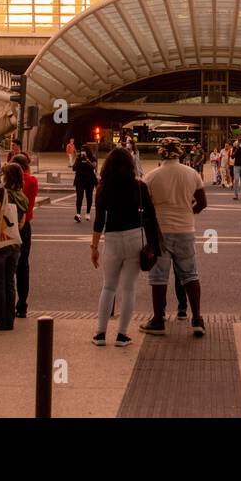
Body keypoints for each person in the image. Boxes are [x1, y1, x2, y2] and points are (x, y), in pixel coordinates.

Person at [140, 138, 209, 337]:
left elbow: (144, 207)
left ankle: (158, 320)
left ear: (161, 153)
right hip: (186, 229)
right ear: (180, 153)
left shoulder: (151, 177)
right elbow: (202, 203)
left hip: (160, 231)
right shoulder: (192, 174)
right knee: (190, 274)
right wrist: (188, 212)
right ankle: (197, 319)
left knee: (158, 276)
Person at [90, 147, 156, 346]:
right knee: (129, 289)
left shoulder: (103, 188)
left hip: (112, 238)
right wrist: (152, 243)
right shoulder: (139, 186)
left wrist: (93, 247)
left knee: (108, 287)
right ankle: (122, 335)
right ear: (131, 165)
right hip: (135, 237)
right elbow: (151, 215)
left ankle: (100, 333)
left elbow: (99, 220)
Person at [0, 163, 25, 330]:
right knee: (10, 282)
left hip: (0, 242)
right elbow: (21, 224)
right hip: (15, 242)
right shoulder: (22, 196)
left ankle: (0, 320)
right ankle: (10, 319)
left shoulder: (3, 192)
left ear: (6, 177)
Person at [11, 152, 38, 317]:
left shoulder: (8, 185)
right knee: (23, 266)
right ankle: (22, 305)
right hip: (25, 226)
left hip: (8, 226)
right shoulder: (32, 181)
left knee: (5, 268)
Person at [73, 145, 98, 222]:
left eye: (84, 151)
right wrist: (77, 159)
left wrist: (87, 160)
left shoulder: (92, 158)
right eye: (81, 150)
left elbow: (94, 166)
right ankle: (78, 214)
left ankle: (88, 213)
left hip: (89, 179)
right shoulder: (79, 158)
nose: (83, 152)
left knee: (89, 196)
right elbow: (74, 168)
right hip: (79, 178)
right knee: (79, 196)